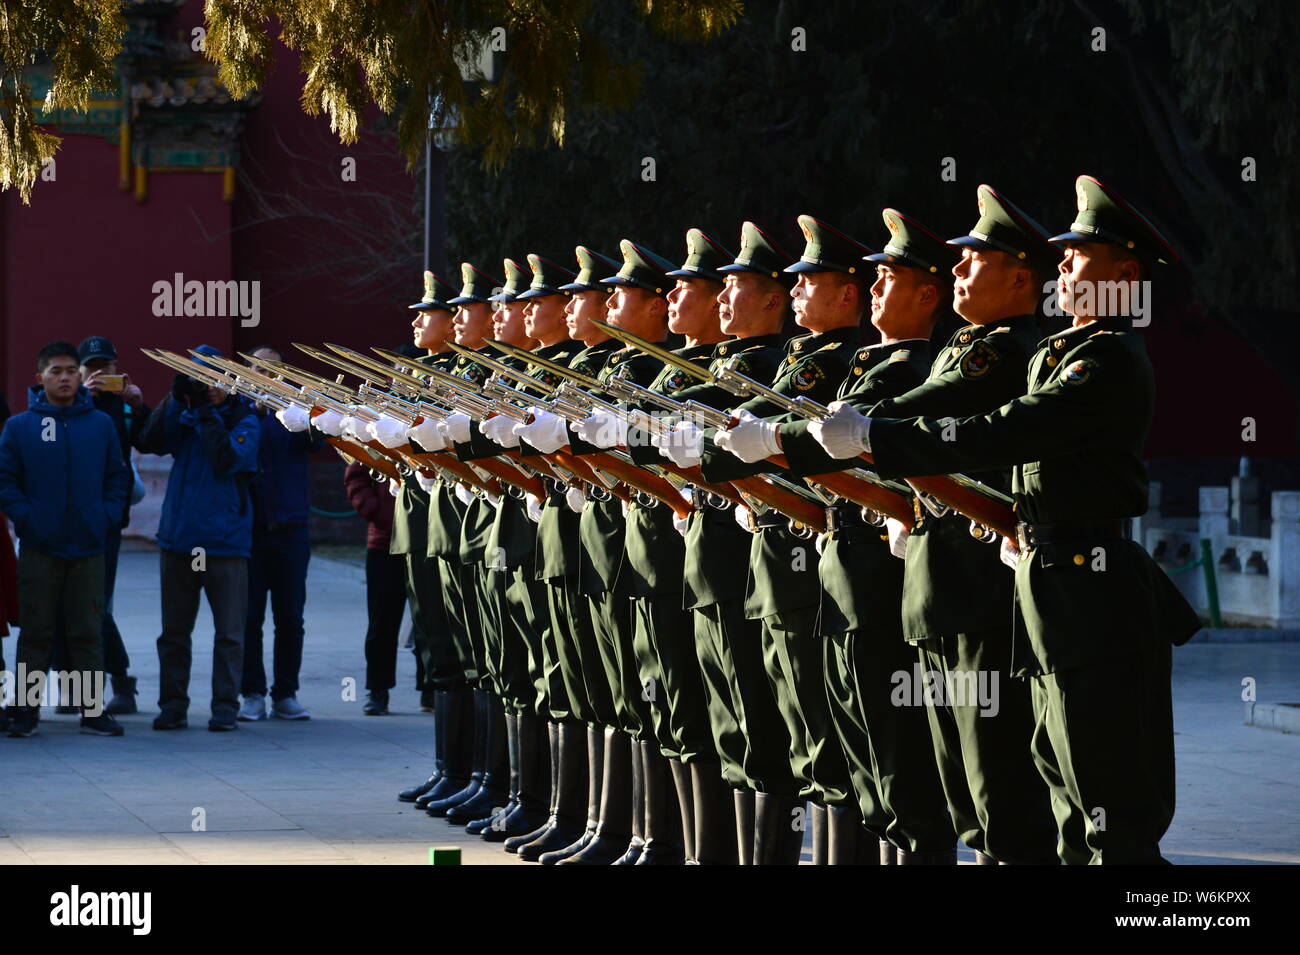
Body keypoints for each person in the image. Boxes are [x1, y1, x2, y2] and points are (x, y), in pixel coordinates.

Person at [810, 175, 1201, 863]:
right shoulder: (1066, 351)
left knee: (1108, 809)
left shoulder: (1106, 357)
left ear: (1125, 275)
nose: (1062, 266)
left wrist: (879, 437)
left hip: (1092, 590)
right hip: (1052, 585)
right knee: (1066, 796)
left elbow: (1008, 429)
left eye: (1078, 255)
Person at [0, 341, 130, 737]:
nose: (64, 377)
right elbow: (6, 480)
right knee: (36, 631)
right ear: (40, 379)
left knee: (87, 631)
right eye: (55, 371)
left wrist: (104, 518)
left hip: (89, 546)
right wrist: (28, 519)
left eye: (70, 371)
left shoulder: (100, 425)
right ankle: (25, 711)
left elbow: (117, 477)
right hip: (41, 547)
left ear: (80, 376)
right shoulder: (20, 427)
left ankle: (92, 712)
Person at [137, 344, 261, 732]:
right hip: (180, 542)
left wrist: (205, 413)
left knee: (229, 634)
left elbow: (226, 459)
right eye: (202, 380)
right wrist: (172, 399)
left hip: (224, 545)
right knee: (174, 632)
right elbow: (150, 441)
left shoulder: (245, 421)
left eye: (216, 380)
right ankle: (172, 705)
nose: (210, 388)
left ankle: (225, 706)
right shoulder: (185, 414)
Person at [237, 345, 325, 722]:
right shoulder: (238, 413)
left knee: (290, 617)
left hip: (292, 528)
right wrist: (253, 413)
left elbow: (314, 442)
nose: (267, 378)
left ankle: (285, 694)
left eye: (273, 372)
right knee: (248, 617)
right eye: (258, 371)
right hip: (250, 529)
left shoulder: (294, 413)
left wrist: (297, 410)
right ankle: (252, 692)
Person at [343, 460, 404, 715]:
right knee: (381, 621)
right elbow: (356, 471)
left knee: (431, 620)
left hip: (426, 536)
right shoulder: (377, 423)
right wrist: (374, 510)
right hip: (384, 540)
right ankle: (378, 690)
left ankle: (432, 689)